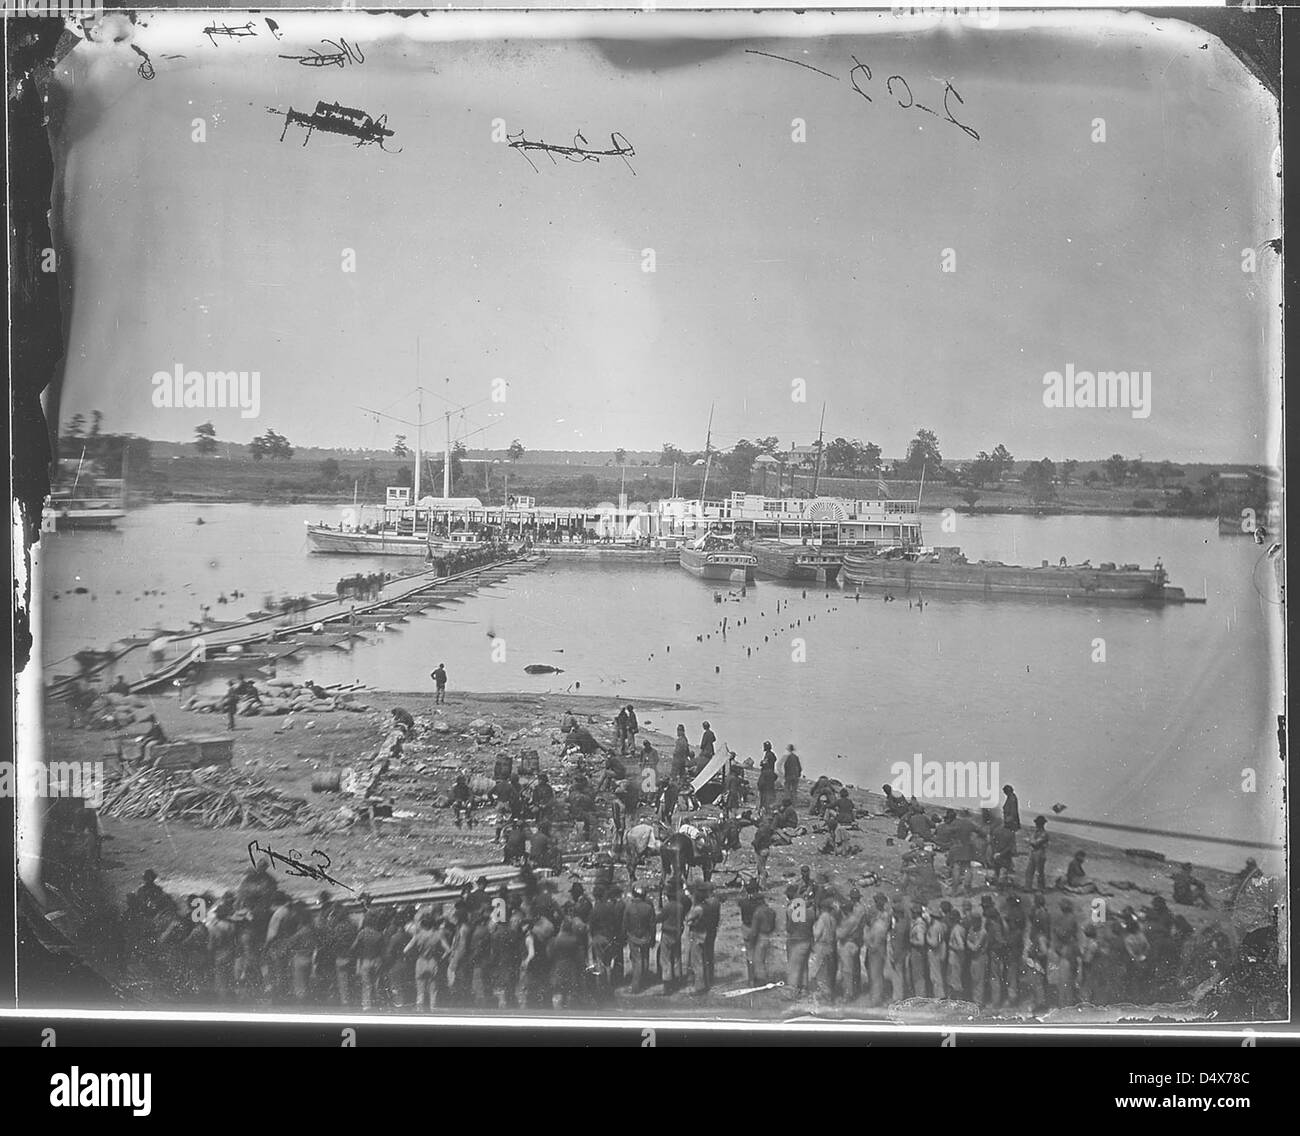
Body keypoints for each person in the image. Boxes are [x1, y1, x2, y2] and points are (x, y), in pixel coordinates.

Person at [623, 885, 657, 993]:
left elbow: (625, 924)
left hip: (633, 937)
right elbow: (652, 925)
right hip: (645, 937)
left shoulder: (629, 907)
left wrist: (625, 936)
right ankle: (645, 981)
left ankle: (635, 986)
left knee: (636, 961)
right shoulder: (649, 908)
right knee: (645, 958)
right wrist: (652, 938)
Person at [836, 889, 867, 1001]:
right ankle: (856, 990)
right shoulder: (862, 909)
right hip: (856, 941)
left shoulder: (852, 917)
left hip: (848, 943)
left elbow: (841, 933)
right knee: (855, 968)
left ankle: (848, 994)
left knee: (847, 970)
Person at [784, 884, 814, 997]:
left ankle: (792, 992)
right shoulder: (809, 910)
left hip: (796, 941)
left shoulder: (792, 909)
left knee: (794, 966)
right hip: (807, 940)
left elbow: (790, 928)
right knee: (804, 965)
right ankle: (804, 989)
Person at [865, 893, 891, 1006]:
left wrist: (873, 945)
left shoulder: (885, 916)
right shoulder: (880, 914)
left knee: (876, 973)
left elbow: (881, 933)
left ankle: (876, 998)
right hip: (874, 945)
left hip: (877, 946)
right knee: (873, 971)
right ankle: (874, 994)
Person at [810, 899, 839, 1001]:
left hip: (822, 946)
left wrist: (813, 928)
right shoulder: (833, 918)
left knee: (820, 971)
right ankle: (829, 994)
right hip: (831, 946)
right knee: (829, 971)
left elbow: (817, 934)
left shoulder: (822, 918)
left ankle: (823, 995)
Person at [1025, 815, 1049, 892]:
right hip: (1034, 852)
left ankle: (1041, 888)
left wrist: (1030, 839)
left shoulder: (1044, 834)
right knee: (1029, 870)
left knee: (1039, 872)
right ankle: (1028, 887)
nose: (1037, 825)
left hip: (1040, 853)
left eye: (1038, 823)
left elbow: (1035, 843)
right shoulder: (1037, 832)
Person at [752, 817, 775, 887]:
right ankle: (760, 883)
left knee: (761, 868)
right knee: (762, 867)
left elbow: (757, 842)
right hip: (766, 849)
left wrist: (754, 845)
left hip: (760, 850)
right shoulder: (769, 829)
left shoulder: (760, 831)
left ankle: (763, 885)